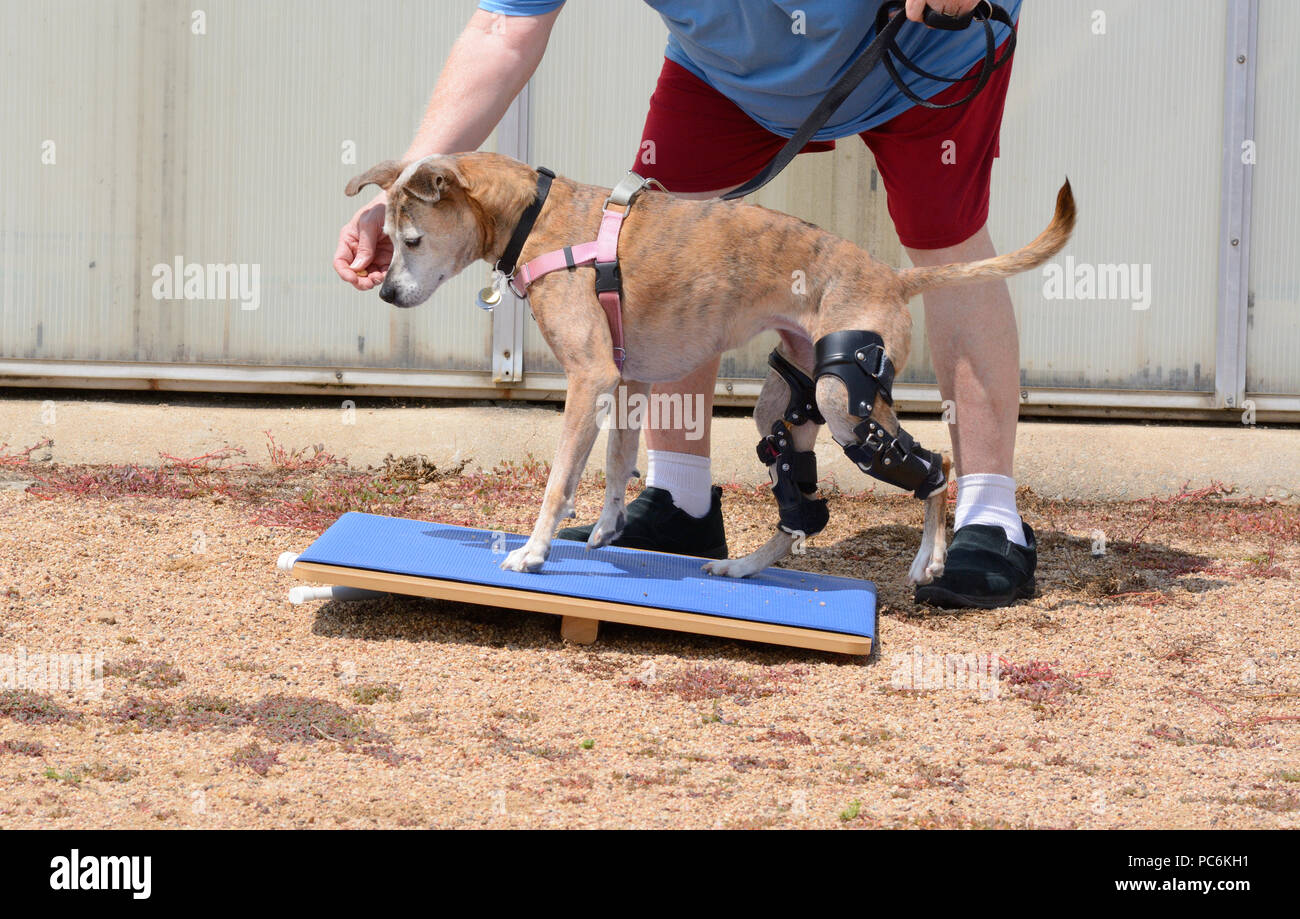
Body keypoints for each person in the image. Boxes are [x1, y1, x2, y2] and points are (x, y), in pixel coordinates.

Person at [334, 0, 1035, 609]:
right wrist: (399, 197)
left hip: (920, 42)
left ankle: (987, 513)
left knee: (947, 242)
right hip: (729, 70)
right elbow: (500, 29)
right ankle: (680, 499)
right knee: (655, 234)